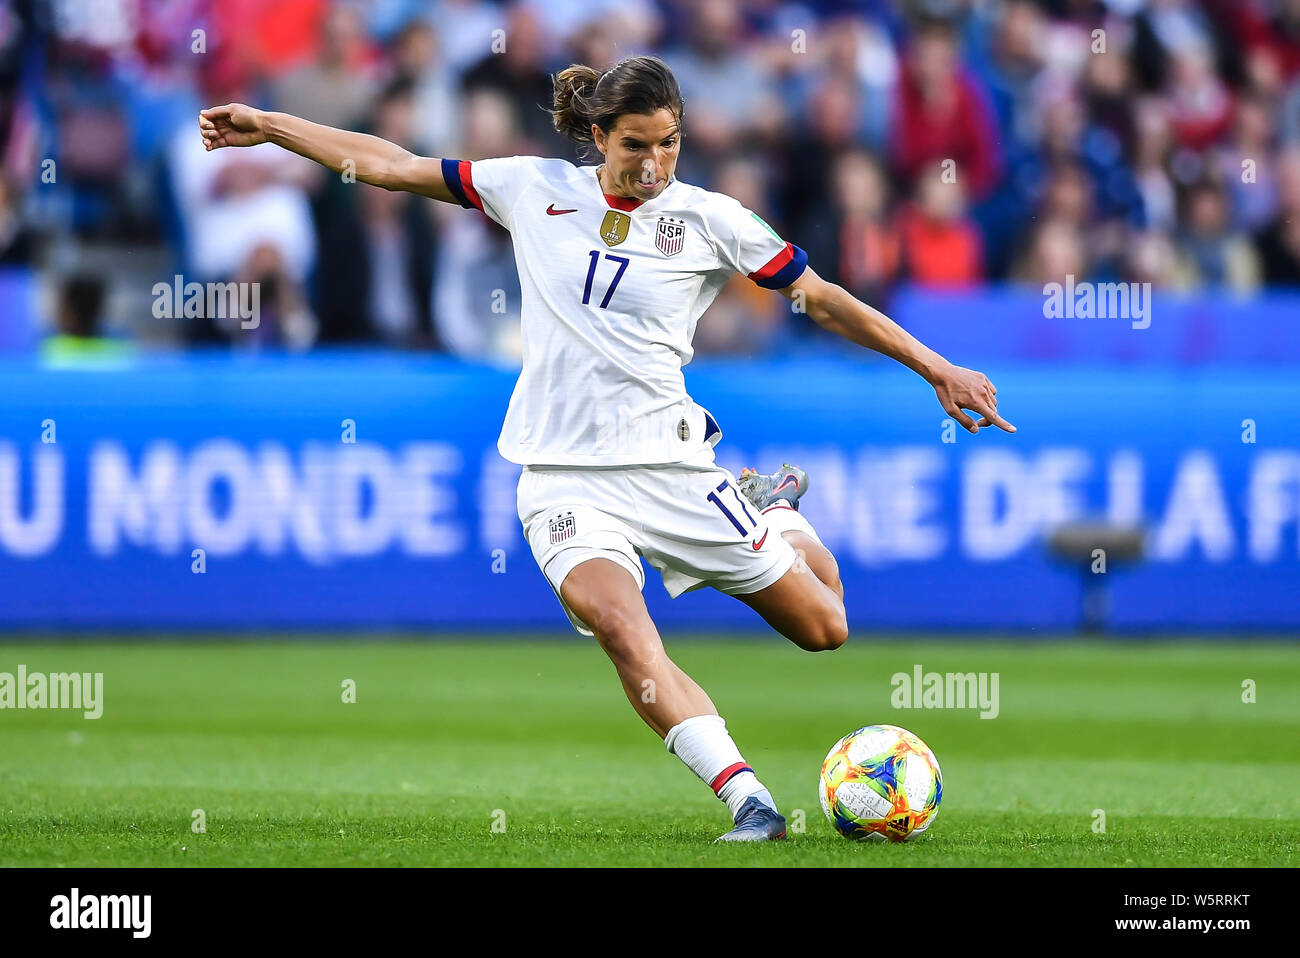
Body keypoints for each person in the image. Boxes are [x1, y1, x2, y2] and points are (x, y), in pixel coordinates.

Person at [198, 55, 1014, 842]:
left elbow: (824, 300)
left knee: (825, 624)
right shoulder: (531, 187)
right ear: (597, 137)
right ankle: (750, 801)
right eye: (636, 145)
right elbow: (389, 163)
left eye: (669, 144)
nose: (654, 163)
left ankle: (774, 512)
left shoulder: (712, 219)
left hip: (673, 469)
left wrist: (935, 368)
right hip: (560, 479)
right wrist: (272, 125)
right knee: (623, 630)